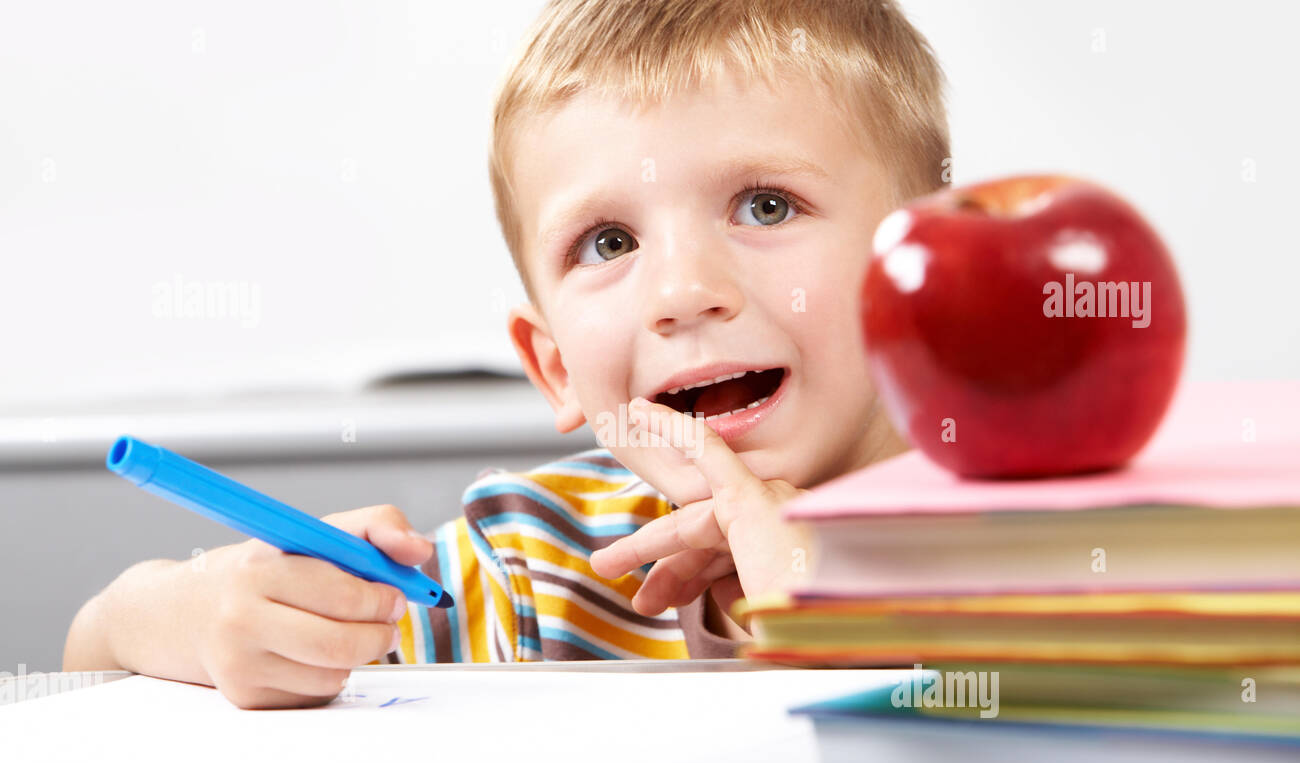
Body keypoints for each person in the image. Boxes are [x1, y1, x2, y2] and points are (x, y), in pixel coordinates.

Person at [63, 0, 950, 708]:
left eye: (765, 206)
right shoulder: (534, 564)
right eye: (608, 244)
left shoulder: (1043, 537)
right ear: (557, 366)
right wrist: (206, 614)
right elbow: (91, 654)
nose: (683, 292)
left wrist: (858, 616)